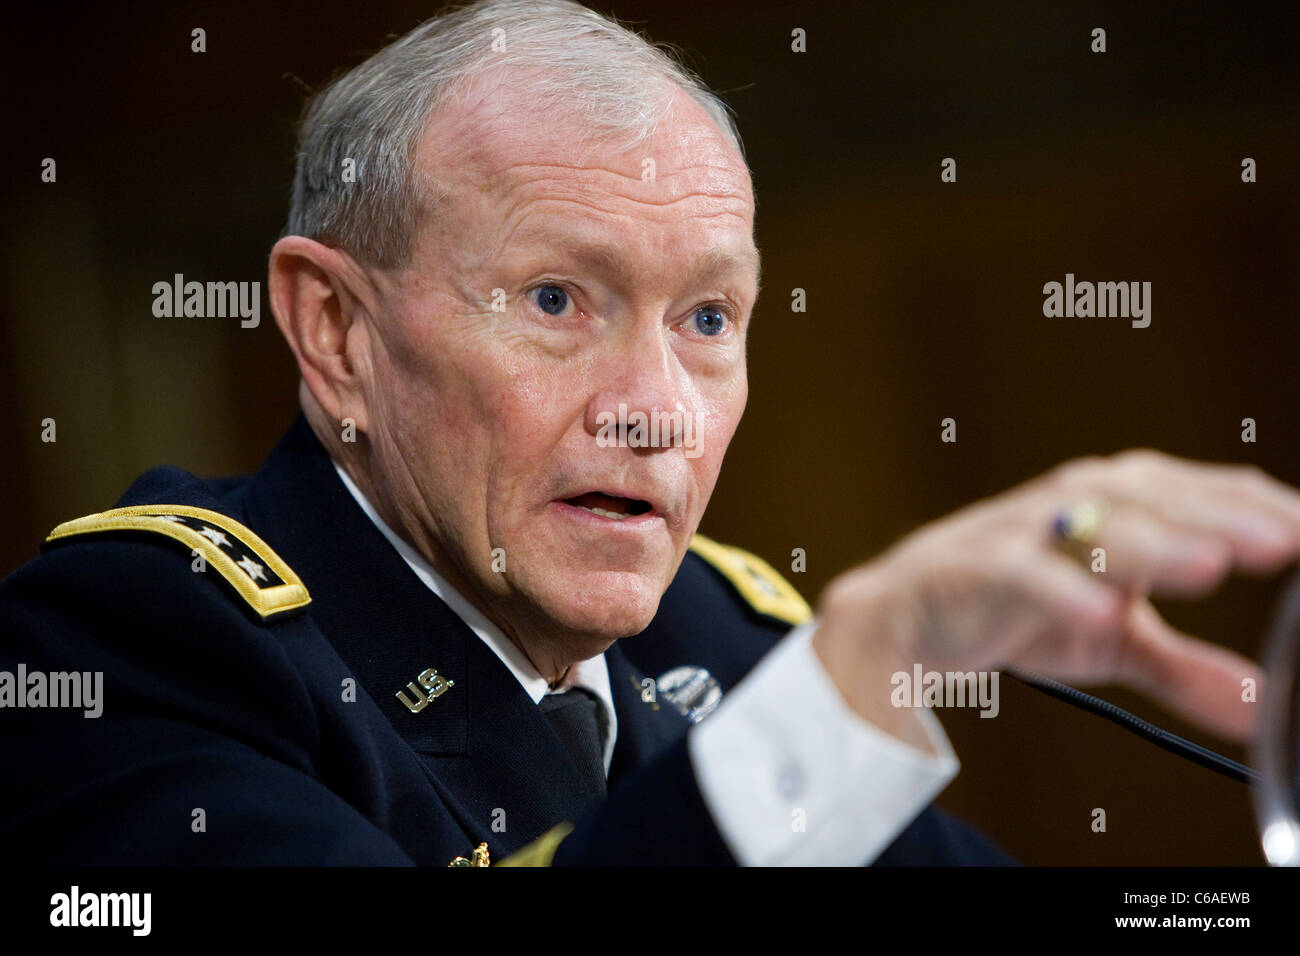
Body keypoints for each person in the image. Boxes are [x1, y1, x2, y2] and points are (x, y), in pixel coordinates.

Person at [1, 0, 1295, 866]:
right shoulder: (127, 644)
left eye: (708, 317)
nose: (655, 408)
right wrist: (852, 697)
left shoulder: (731, 641)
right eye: (558, 299)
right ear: (336, 331)